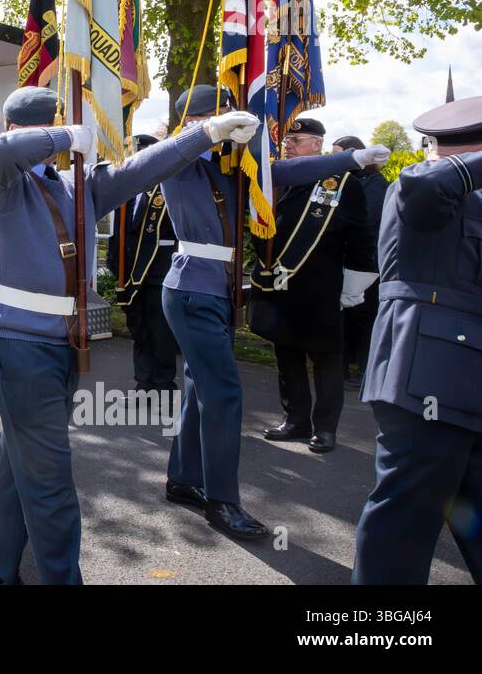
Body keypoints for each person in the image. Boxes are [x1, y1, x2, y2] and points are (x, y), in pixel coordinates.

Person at [0, 87, 226, 583]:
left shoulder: (77, 184)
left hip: (63, 340)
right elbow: (4, 151)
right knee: (51, 484)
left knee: (18, 460)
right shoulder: (1, 177)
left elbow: (145, 167)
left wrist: (204, 133)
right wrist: (65, 134)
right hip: (17, 341)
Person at [160, 86, 388, 540]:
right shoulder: (180, 158)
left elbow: (284, 169)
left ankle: (183, 480)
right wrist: (206, 131)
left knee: (199, 387)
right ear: (200, 121)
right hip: (193, 290)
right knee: (224, 395)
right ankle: (222, 500)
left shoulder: (227, 164)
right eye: (222, 117)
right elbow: (174, 149)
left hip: (214, 289)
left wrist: (352, 161)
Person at [353, 95, 482, 584]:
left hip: (468, 389)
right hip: (426, 380)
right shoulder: (423, 186)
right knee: (403, 527)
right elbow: (426, 183)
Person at [251, 118, 376, 453]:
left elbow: (361, 240)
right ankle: (295, 420)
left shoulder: (341, 183)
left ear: (317, 145)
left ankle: (325, 428)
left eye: (297, 139)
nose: (288, 145)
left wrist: (355, 287)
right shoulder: (276, 178)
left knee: (326, 360)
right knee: (287, 353)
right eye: (286, 139)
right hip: (281, 285)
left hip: (322, 287)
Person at [107, 134, 180, 391]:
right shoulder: (125, 189)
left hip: (158, 272)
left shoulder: (168, 187)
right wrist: (115, 264)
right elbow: (120, 232)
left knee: (161, 332)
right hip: (130, 272)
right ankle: (143, 383)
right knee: (139, 329)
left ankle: (163, 384)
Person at [332, 134, 389, 390]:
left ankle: (367, 371)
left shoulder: (374, 183)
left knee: (364, 318)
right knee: (344, 317)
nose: (335, 160)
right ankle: (342, 369)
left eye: (338, 153)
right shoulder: (345, 180)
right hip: (344, 257)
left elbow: (368, 219)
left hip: (366, 263)